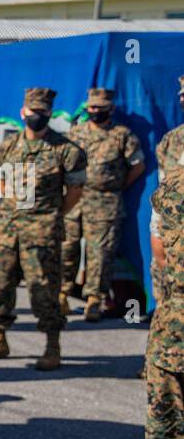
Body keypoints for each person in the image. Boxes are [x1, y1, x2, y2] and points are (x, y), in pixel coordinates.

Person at [0, 87, 86, 370]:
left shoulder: (67, 151)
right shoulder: (6, 148)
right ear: (23, 112)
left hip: (42, 231)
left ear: (49, 114)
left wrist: (52, 214)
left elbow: (74, 191)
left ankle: (52, 346)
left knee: (44, 289)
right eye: (32, 112)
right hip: (7, 229)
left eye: (43, 112)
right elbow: (2, 184)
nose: (37, 116)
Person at [114, 181, 184, 439]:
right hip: (174, 337)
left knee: (169, 434)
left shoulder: (173, 188)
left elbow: (160, 255)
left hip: (176, 332)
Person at [64, 87, 144, 321]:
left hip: (105, 201)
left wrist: (115, 186)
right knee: (66, 247)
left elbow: (137, 166)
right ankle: (62, 293)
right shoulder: (75, 134)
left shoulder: (122, 135)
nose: (95, 111)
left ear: (110, 108)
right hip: (75, 198)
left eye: (100, 108)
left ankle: (94, 300)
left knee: (99, 254)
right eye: (91, 107)